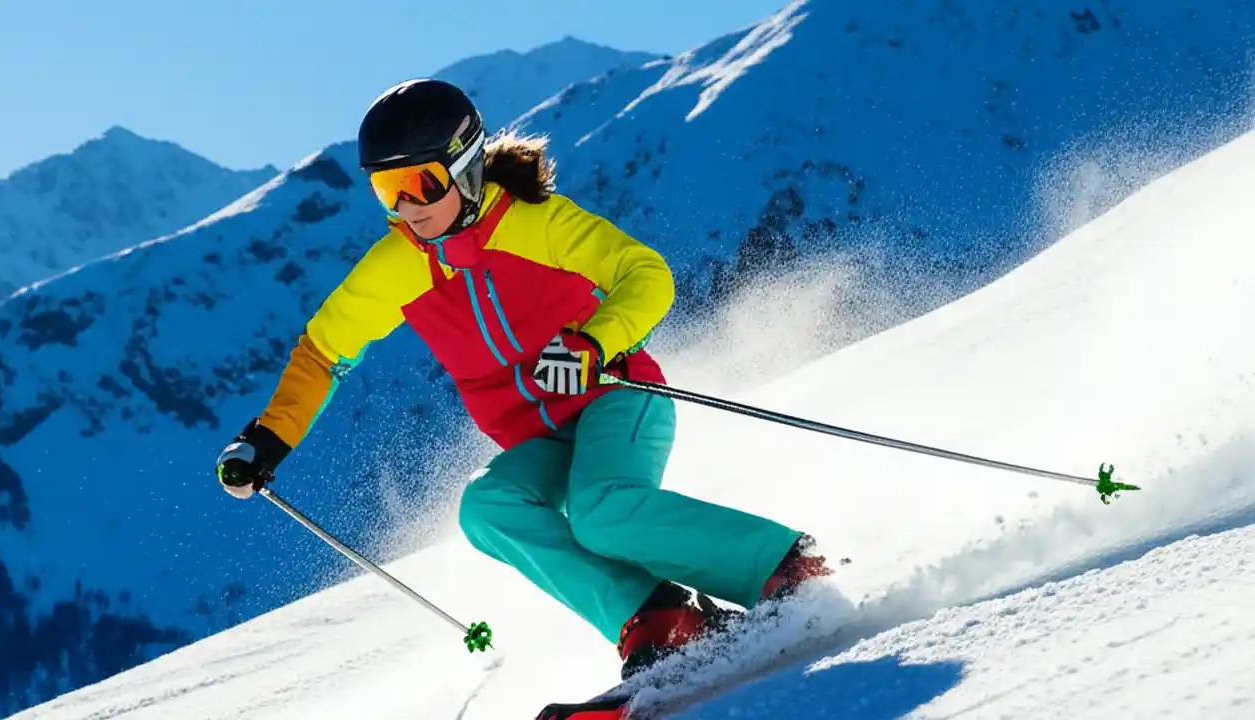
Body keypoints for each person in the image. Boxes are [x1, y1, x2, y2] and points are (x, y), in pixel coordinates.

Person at [215, 78, 831, 678]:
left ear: (464, 167)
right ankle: (659, 617)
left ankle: (781, 566)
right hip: (538, 439)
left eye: (420, 183)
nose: (407, 207)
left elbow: (645, 273)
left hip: (617, 395)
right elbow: (322, 352)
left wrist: (593, 343)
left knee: (601, 512)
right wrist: (269, 439)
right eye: (387, 189)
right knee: (488, 507)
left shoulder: (536, 224)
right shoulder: (397, 266)